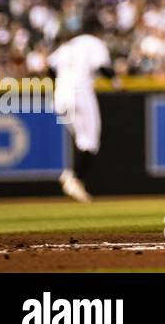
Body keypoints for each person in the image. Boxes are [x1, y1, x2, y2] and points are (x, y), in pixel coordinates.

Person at [48, 10, 116, 203]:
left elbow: (50, 67)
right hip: (80, 93)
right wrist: (117, 82)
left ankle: (74, 179)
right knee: (90, 143)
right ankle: (73, 177)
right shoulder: (94, 43)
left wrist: (62, 83)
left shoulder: (68, 45)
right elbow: (103, 68)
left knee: (82, 140)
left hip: (60, 96)